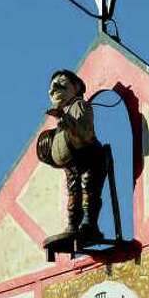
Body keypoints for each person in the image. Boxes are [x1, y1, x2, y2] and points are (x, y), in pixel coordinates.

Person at [37, 69, 106, 240]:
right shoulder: (64, 114)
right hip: (72, 162)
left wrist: (65, 119)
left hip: (90, 157)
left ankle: (89, 224)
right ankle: (72, 225)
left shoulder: (79, 106)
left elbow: (84, 133)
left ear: (76, 87)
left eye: (61, 81)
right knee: (73, 192)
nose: (54, 87)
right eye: (51, 85)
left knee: (88, 188)